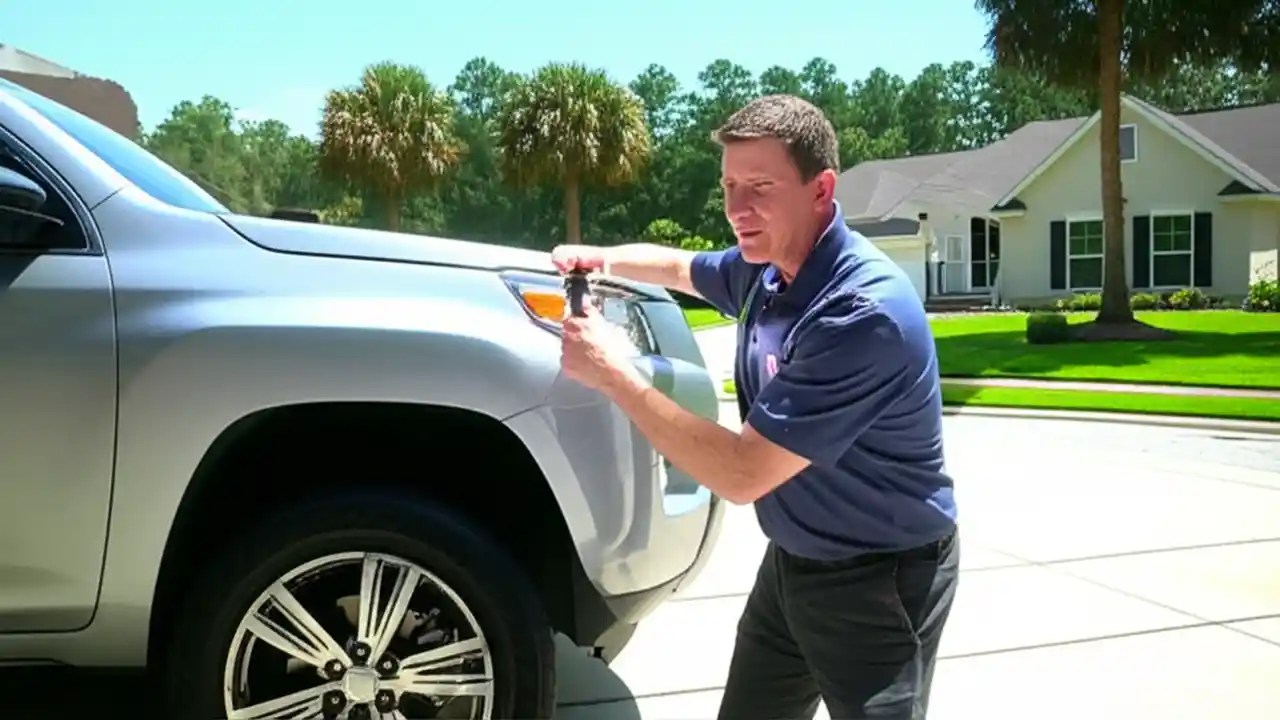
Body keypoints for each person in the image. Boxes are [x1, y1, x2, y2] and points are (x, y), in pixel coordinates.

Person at [551, 94, 959, 720]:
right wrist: (599, 260)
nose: (738, 210)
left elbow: (743, 473)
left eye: (760, 187)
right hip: (796, 561)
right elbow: (682, 268)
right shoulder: (768, 272)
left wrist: (614, 373)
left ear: (820, 189)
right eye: (730, 186)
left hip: (879, 578)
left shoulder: (860, 313)